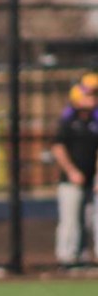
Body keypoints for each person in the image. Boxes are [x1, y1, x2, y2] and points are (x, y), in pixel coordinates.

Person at [52, 81, 98, 268]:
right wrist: (71, 171)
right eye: (88, 96)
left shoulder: (95, 122)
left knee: (92, 220)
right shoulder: (68, 122)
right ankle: (67, 258)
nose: (93, 99)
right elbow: (58, 147)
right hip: (71, 180)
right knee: (70, 220)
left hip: (92, 180)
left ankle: (88, 255)